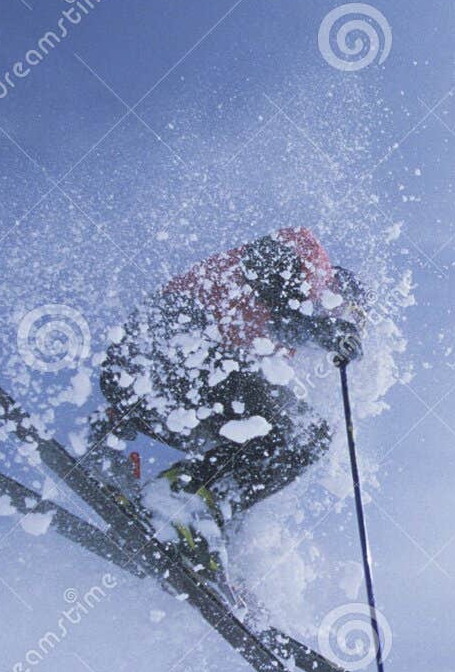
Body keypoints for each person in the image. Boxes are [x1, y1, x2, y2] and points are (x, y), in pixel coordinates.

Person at [96, 227, 365, 567]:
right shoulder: (310, 260)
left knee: (277, 435)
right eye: (348, 314)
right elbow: (279, 304)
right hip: (164, 348)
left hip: (148, 383)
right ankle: (178, 497)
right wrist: (329, 331)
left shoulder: (271, 345)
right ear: (339, 294)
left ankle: (202, 525)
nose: (340, 322)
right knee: (304, 430)